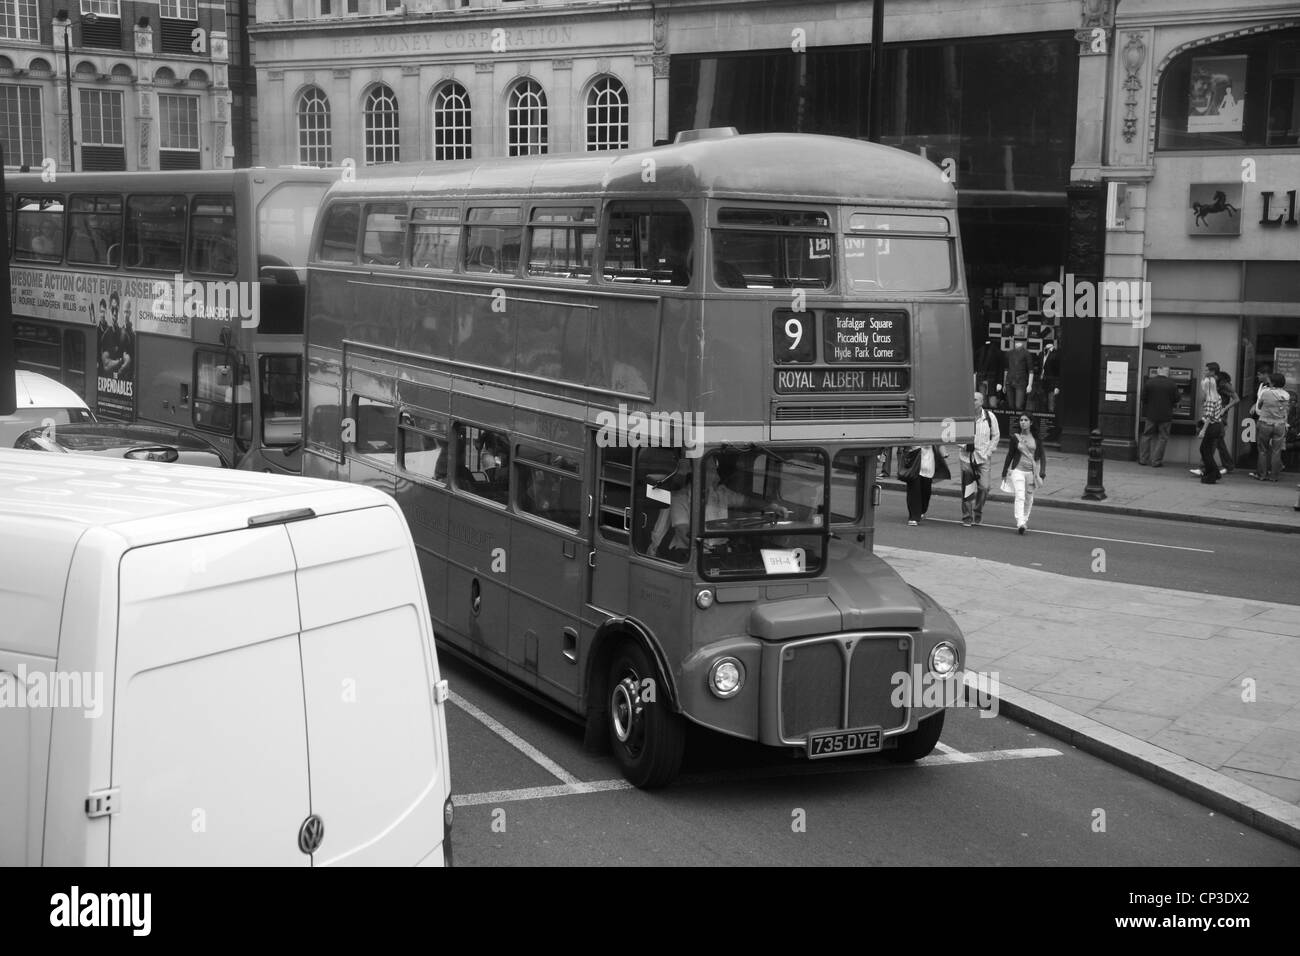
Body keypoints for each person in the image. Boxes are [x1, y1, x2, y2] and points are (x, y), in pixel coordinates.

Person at [1002, 414, 1046, 534]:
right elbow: (1010, 454)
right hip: (1018, 471)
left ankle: (1025, 519)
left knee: (1029, 498)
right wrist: (1005, 471)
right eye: (1021, 420)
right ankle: (1020, 522)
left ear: (1031, 422)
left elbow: (1041, 457)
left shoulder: (1037, 438)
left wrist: (1041, 474)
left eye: (1026, 420)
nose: (1023, 422)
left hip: (1031, 473)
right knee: (1020, 496)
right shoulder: (1015, 437)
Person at [962, 391, 1000, 526]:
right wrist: (964, 445)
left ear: (982, 402)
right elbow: (955, 434)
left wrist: (989, 452)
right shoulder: (964, 416)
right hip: (967, 458)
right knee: (968, 489)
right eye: (971, 399)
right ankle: (967, 517)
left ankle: (978, 510)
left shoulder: (990, 417)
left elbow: (996, 436)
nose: (972, 402)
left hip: (983, 458)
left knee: (984, 487)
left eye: (975, 400)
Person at [1251, 373, 1292, 482]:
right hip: (1280, 425)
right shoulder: (1287, 395)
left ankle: (1262, 475)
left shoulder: (1266, 393)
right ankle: (1274, 477)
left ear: (1273, 382)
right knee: (1276, 451)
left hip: (1265, 423)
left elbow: (1259, 406)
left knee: (1263, 450)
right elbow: (1286, 409)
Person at [1138, 366, 1180, 467]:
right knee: (1163, 438)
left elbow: (1143, 398)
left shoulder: (1149, 382)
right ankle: (1156, 461)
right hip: (1166, 416)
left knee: (1147, 436)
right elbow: (1177, 399)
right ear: (1167, 372)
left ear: (1158, 371)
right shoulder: (1172, 384)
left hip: (1151, 415)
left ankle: (1143, 459)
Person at [900, 444, 949, 526]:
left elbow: (940, 440)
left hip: (929, 465)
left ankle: (922, 510)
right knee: (914, 490)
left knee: (926, 491)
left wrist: (943, 452)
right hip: (915, 462)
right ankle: (913, 517)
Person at [1190, 365, 1223, 483]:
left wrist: (1203, 430)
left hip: (1211, 427)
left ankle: (1212, 474)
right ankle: (1215, 472)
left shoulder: (1210, 399)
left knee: (1205, 451)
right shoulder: (1217, 396)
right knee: (1205, 450)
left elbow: (1209, 416)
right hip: (1217, 426)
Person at [1213, 369, 1239, 473]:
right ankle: (1229, 465)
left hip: (1220, 414)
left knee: (1213, 439)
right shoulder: (1219, 384)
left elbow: (1236, 399)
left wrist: (1225, 408)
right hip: (1217, 413)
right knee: (1219, 442)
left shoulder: (1224, 384)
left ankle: (1204, 466)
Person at [1005, 340, 1031, 410]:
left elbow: (1031, 370)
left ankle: (1020, 420)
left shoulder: (1026, 353)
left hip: (1021, 381)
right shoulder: (1009, 353)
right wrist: (1004, 382)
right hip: (1009, 381)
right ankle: (1013, 420)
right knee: (1010, 405)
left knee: (1018, 406)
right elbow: (1006, 369)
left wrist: (1030, 384)